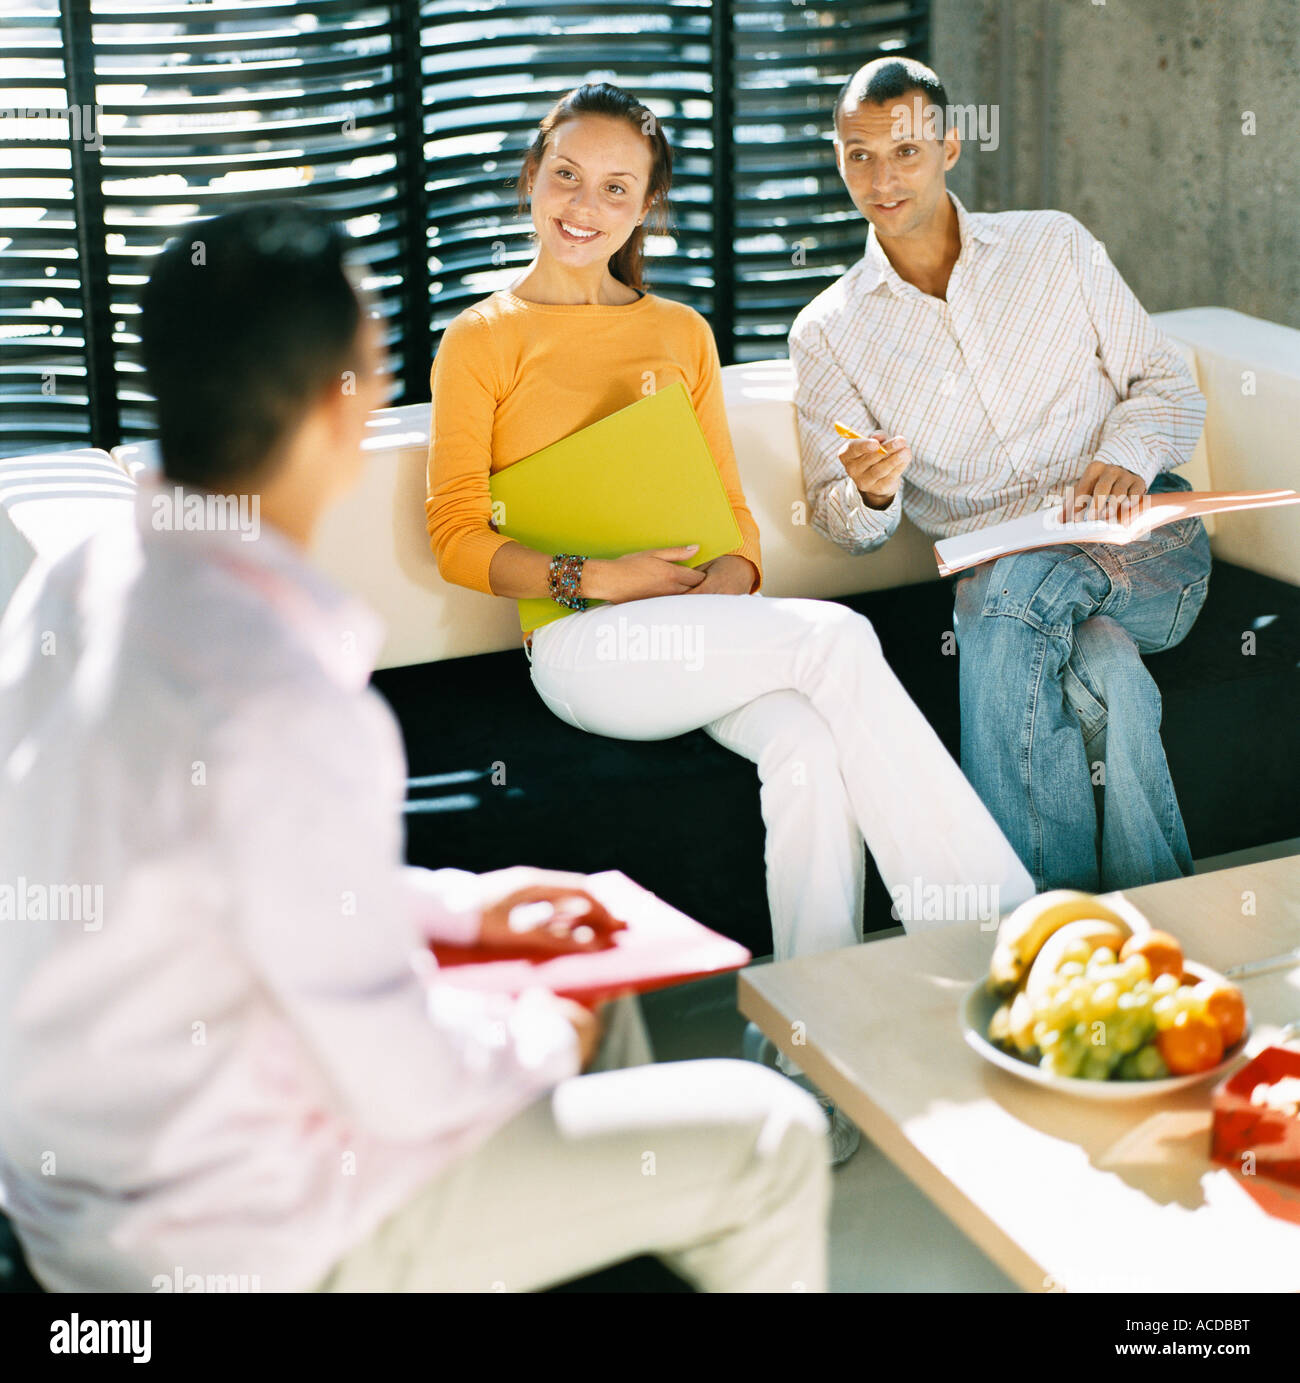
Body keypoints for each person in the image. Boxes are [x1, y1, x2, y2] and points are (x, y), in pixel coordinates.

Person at [0, 204, 832, 1293]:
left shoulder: (73, 591)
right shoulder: (279, 687)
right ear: (346, 399)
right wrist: (538, 1033)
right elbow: (397, 1076)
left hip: (78, 1194)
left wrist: (460, 907)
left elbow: (232, 889)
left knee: (587, 1000)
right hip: (232, 1234)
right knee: (769, 1137)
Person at [426, 82, 1036, 1161]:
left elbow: (739, 527)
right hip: (583, 649)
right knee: (837, 640)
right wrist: (591, 577)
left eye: (616, 187)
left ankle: (809, 1046)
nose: (584, 203)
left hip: (699, 638)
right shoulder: (481, 339)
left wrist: (728, 575)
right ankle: (1000, 942)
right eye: (566, 174)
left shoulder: (680, 333)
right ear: (532, 174)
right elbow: (457, 535)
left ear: (643, 207)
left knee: (805, 745)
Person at [790, 58, 1211, 895]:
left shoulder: (1053, 246)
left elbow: (1170, 389)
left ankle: (1026, 926)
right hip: (1010, 578)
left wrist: (1123, 458)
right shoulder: (829, 332)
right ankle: (1156, 921)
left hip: (1147, 550)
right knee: (1107, 672)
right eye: (858, 155)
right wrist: (872, 490)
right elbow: (838, 517)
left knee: (1005, 603)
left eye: (905, 151)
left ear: (949, 146)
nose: (881, 178)